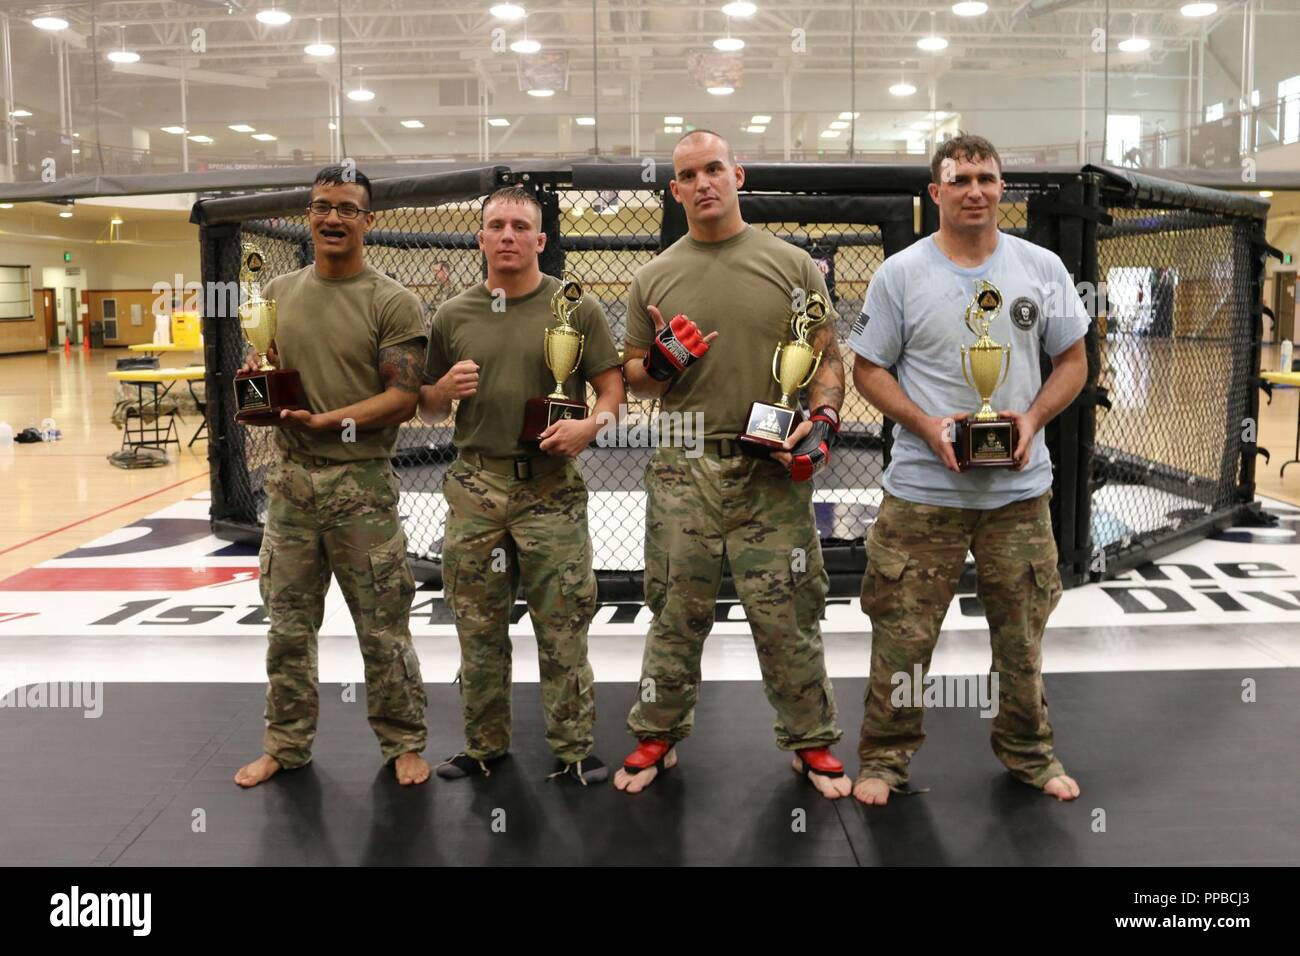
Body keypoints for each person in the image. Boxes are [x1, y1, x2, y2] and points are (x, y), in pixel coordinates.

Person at [847, 134, 1088, 806]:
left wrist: (1033, 418)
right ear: (936, 192)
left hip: (1019, 493)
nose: (975, 190)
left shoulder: (1041, 268)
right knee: (903, 636)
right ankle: (885, 759)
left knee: (1022, 639)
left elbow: (1073, 360)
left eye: (986, 177)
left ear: (1001, 187)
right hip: (924, 493)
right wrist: (925, 425)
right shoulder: (899, 274)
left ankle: (1030, 753)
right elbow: (868, 367)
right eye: (960, 180)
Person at [613, 130, 852, 800]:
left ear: (737, 174)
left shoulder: (794, 266)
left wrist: (824, 420)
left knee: (786, 612)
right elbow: (634, 379)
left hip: (768, 467)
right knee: (673, 608)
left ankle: (811, 741)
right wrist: (659, 364)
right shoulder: (653, 275)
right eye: (688, 174)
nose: (703, 182)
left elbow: (827, 357)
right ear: (675, 190)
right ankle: (657, 733)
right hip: (683, 462)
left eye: (714, 168)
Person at [419, 186, 625, 784]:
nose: (506, 235)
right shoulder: (453, 314)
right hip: (476, 488)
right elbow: (428, 408)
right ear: (481, 238)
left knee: (563, 627)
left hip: (550, 490)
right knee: (477, 626)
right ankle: (483, 746)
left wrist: (590, 426)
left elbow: (613, 391)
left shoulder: (575, 307)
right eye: (495, 225)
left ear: (540, 240)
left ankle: (574, 749)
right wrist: (440, 391)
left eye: (519, 226)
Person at [234, 164, 431, 788]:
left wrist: (329, 421)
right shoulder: (275, 297)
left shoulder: (393, 301)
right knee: (287, 625)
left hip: (360, 485)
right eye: (322, 206)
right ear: (308, 216)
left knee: (383, 625)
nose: (333, 218)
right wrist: (258, 376)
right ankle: (285, 745)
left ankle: (402, 742)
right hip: (290, 487)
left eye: (347, 208)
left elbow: (402, 397)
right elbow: (264, 369)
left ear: (368, 221)